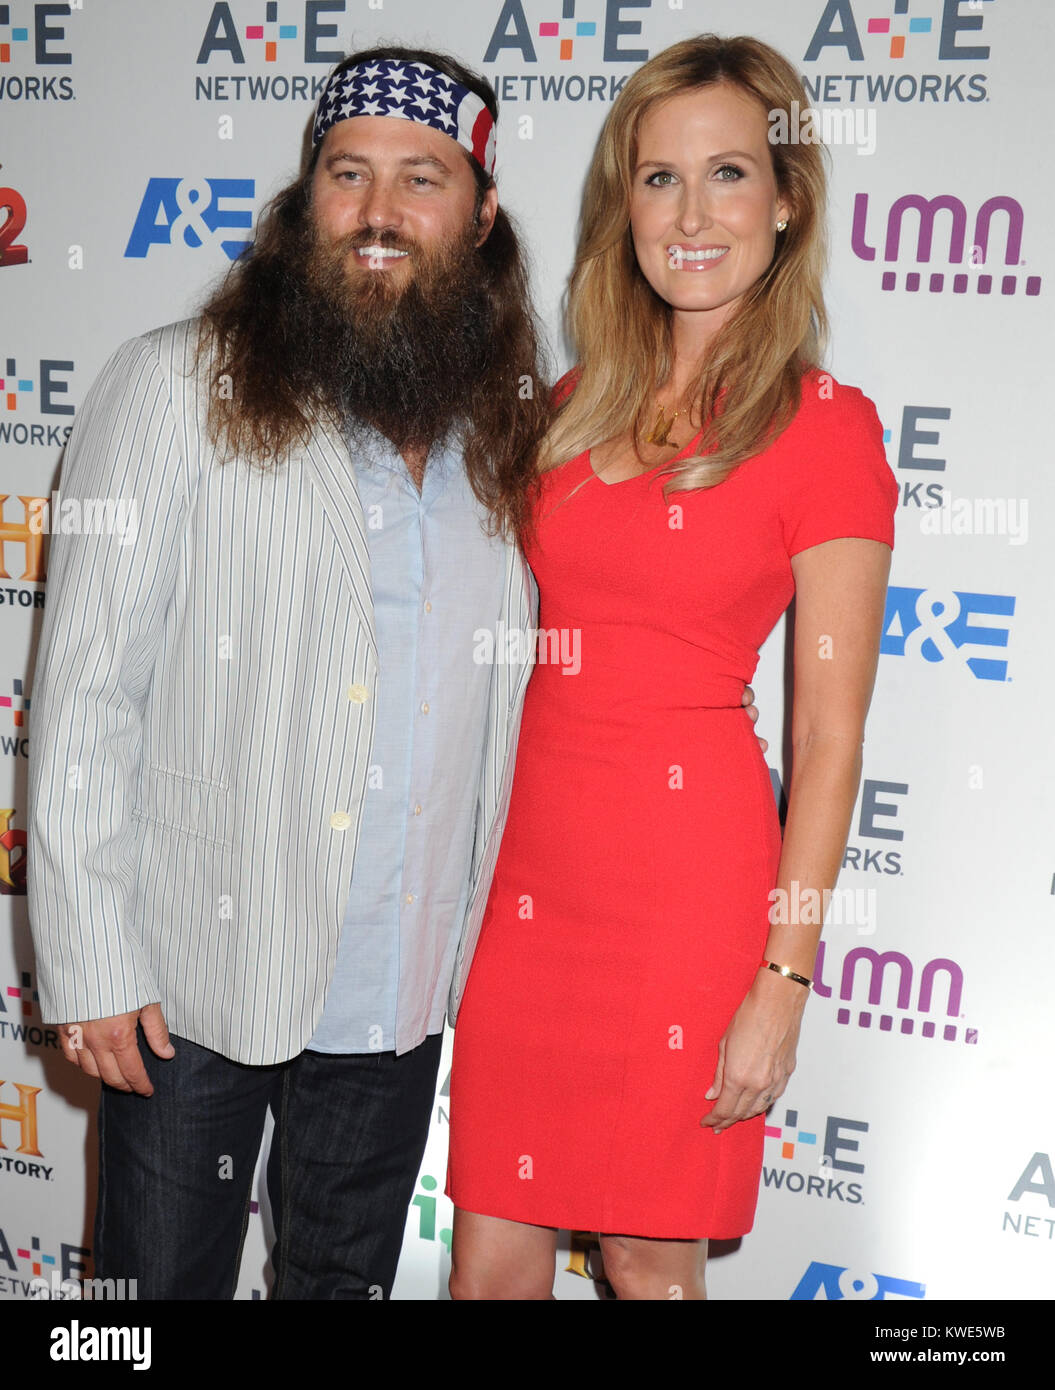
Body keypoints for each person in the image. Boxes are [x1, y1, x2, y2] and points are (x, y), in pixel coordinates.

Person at [25, 44, 554, 1301]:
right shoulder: (173, 385)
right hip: (195, 980)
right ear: (303, 197)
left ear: (480, 216)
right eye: (346, 171)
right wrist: (92, 959)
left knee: (341, 1285)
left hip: (397, 985)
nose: (377, 209)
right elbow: (84, 690)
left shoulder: (510, 432)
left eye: (420, 178)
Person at [446, 33, 897, 1301]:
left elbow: (829, 742)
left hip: (684, 896)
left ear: (787, 198)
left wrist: (783, 983)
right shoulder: (574, 405)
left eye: (727, 174)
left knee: (649, 1258)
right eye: (656, 179)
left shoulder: (826, 431)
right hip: (527, 887)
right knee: (485, 1255)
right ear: (621, 203)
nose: (689, 215)